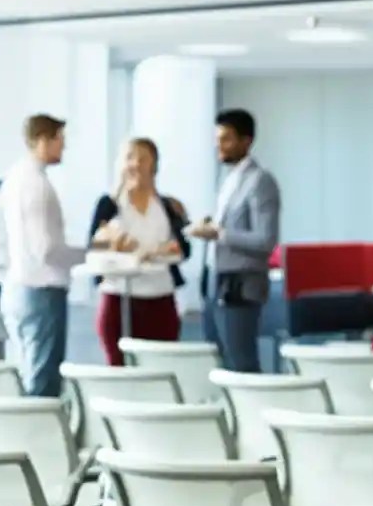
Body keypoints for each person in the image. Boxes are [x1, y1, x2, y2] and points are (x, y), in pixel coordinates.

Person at [0, 114, 85, 397]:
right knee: (43, 381)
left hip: (17, 287)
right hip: (42, 291)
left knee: (28, 372)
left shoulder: (15, 177)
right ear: (42, 140)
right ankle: (38, 441)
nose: (64, 147)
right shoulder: (37, 185)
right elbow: (46, 251)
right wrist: (89, 254)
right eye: (60, 139)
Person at [88, 138, 193, 366]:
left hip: (160, 299)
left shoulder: (169, 206)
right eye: (129, 157)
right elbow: (93, 250)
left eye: (142, 158)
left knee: (162, 367)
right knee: (119, 368)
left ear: (154, 165)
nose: (135, 163)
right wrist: (112, 244)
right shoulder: (108, 204)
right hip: (118, 298)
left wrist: (157, 251)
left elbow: (184, 249)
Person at [191, 109, 281, 373]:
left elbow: (266, 239)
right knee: (219, 360)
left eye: (226, 139)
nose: (219, 145)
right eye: (217, 139)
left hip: (241, 284)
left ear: (246, 141)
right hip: (215, 281)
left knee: (241, 361)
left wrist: (220, 233)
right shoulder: (228, 179)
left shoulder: (260, 181)